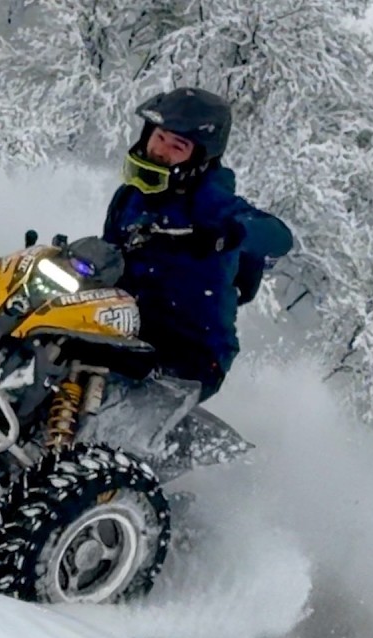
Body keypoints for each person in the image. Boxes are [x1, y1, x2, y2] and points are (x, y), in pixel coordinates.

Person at [102, 86, 295, 402]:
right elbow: (109, 252)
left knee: (108, 373)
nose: (161, 150)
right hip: (124, 321)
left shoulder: (211, 203)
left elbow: (279, 237)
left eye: (177, 145)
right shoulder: (129, 197)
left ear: (200, 156)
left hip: (191, 346)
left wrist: (229, 235)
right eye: (159, 137)